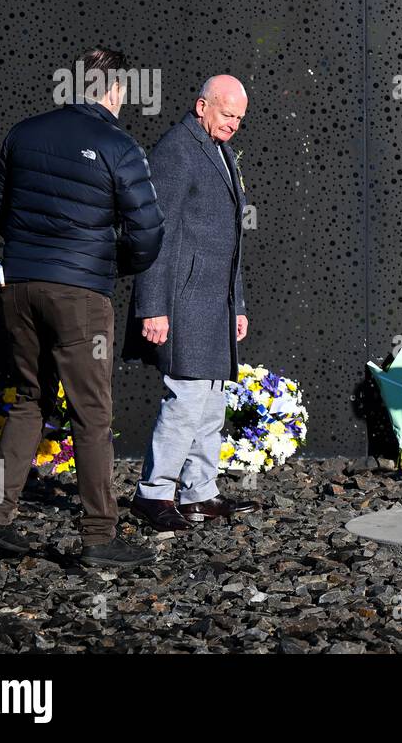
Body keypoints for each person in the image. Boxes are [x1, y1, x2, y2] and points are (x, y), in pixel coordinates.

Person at [0, 47, 165, 569]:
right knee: (92, 412)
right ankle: (100, 536)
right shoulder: (118, 144)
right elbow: (148, 231)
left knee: (29, 398)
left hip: (19, 285)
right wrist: (104, 263)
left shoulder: (24, 132)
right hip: (79, 293)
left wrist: (32, 251)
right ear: (116, 90)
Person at [123, 75, 259, 531]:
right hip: (183, 300)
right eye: (226, 114)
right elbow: (155, 234)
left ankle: (200, 492)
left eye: (239, 118)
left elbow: (230, 241)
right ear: (202, 106)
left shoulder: (218, 150)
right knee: (186, 399)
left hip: (214, 303)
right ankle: (154, 493)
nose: (234, 124)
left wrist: (236, 304)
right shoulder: (176, 150)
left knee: (212, 400)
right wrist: (152, 306)